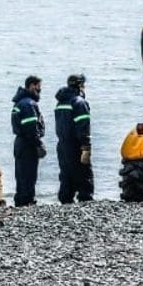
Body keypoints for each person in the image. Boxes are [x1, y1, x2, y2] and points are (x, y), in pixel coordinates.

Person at [54, 74, 93, 203]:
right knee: (84, 172)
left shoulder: (60, 102)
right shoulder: (79, 102)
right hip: (76, 145)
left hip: (62, 144)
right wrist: (86, 147)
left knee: (66, 173)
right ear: (80, 85)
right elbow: (83, 127)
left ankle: (65, 200)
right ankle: (85, 199)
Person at [11, 75, 46, 206]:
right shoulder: (28, 104)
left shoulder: (20, 102)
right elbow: (30, 128)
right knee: (28, 174)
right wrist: (39, 144)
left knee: (21, 174)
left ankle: (20, 201)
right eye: (39, 86)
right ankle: (27, 201)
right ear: (32, 86)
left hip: (20, 143)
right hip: (27, 143)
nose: (40, 89)